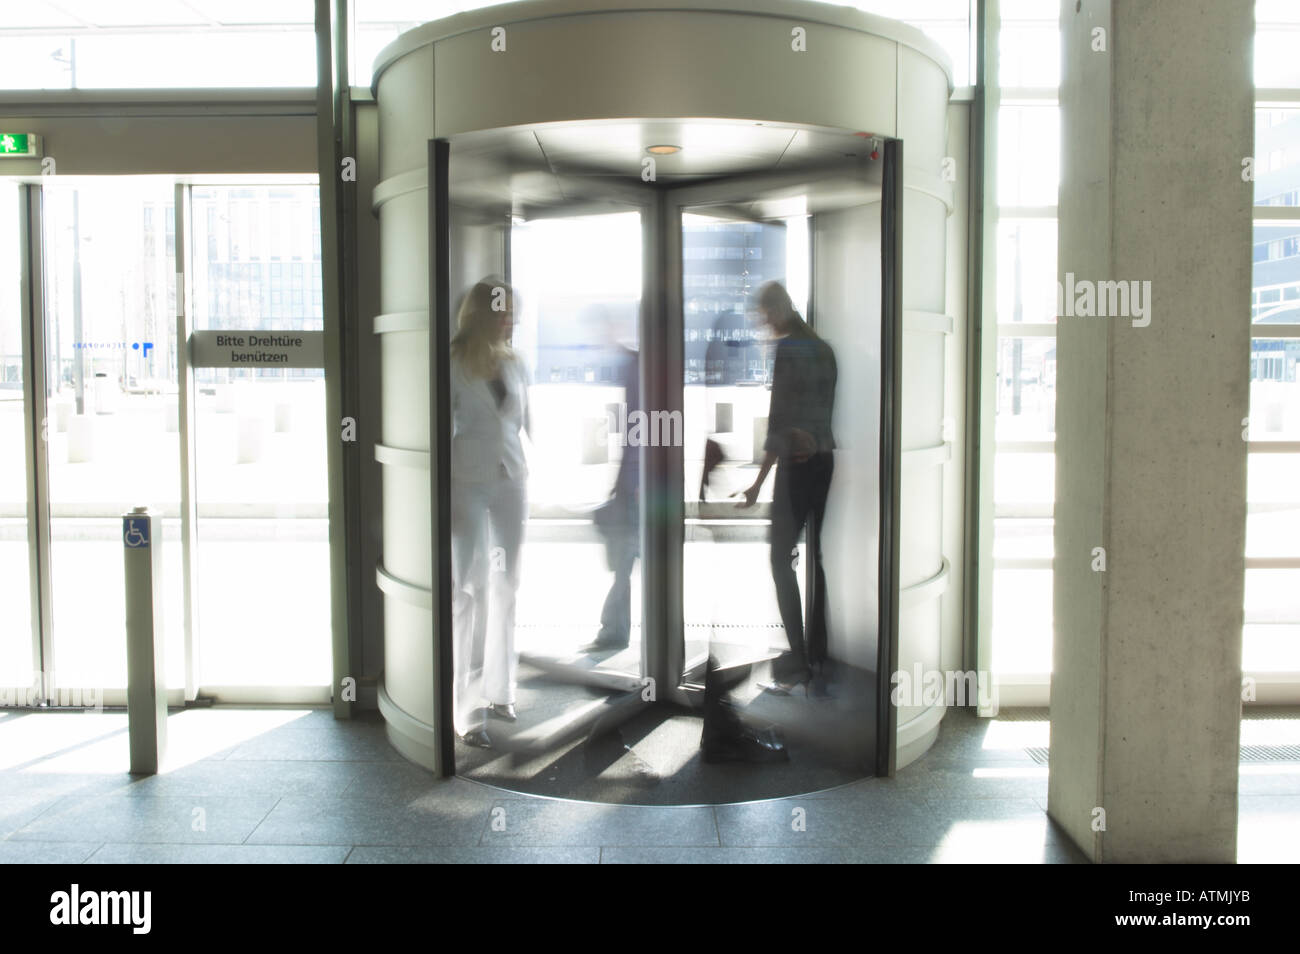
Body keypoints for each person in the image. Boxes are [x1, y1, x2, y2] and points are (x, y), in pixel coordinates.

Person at [735, 281, 837, 696]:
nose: (763, 325)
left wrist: (757, 484)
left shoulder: (789, 350)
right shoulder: (823, 349)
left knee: (780, 560)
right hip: (824, 464)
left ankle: (797, 663)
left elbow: (779, 425)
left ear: (776, 310)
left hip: (795, 469)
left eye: (763, 317)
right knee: (815, 558)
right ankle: (817, 654)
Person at [449, 279, 529, 749]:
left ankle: (502, 690)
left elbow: (519, 423)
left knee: (507, 585)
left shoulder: (515, 362)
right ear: (481, 313)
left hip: (511, 480)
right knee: (468, 590)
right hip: (467, 483)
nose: (509, 318)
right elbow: (441, 427)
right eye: (502, 310)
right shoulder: (454, 362)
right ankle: (466, 709)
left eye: (512, 311)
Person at [584, 313, 640, 654]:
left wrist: (630, 482)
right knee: (625, 563)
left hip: (638, 485)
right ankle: (614, 631)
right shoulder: (638, 364)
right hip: (637, 483)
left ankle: (614, 633)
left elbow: (639, 432)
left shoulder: (636, 367)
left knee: (623, 563)